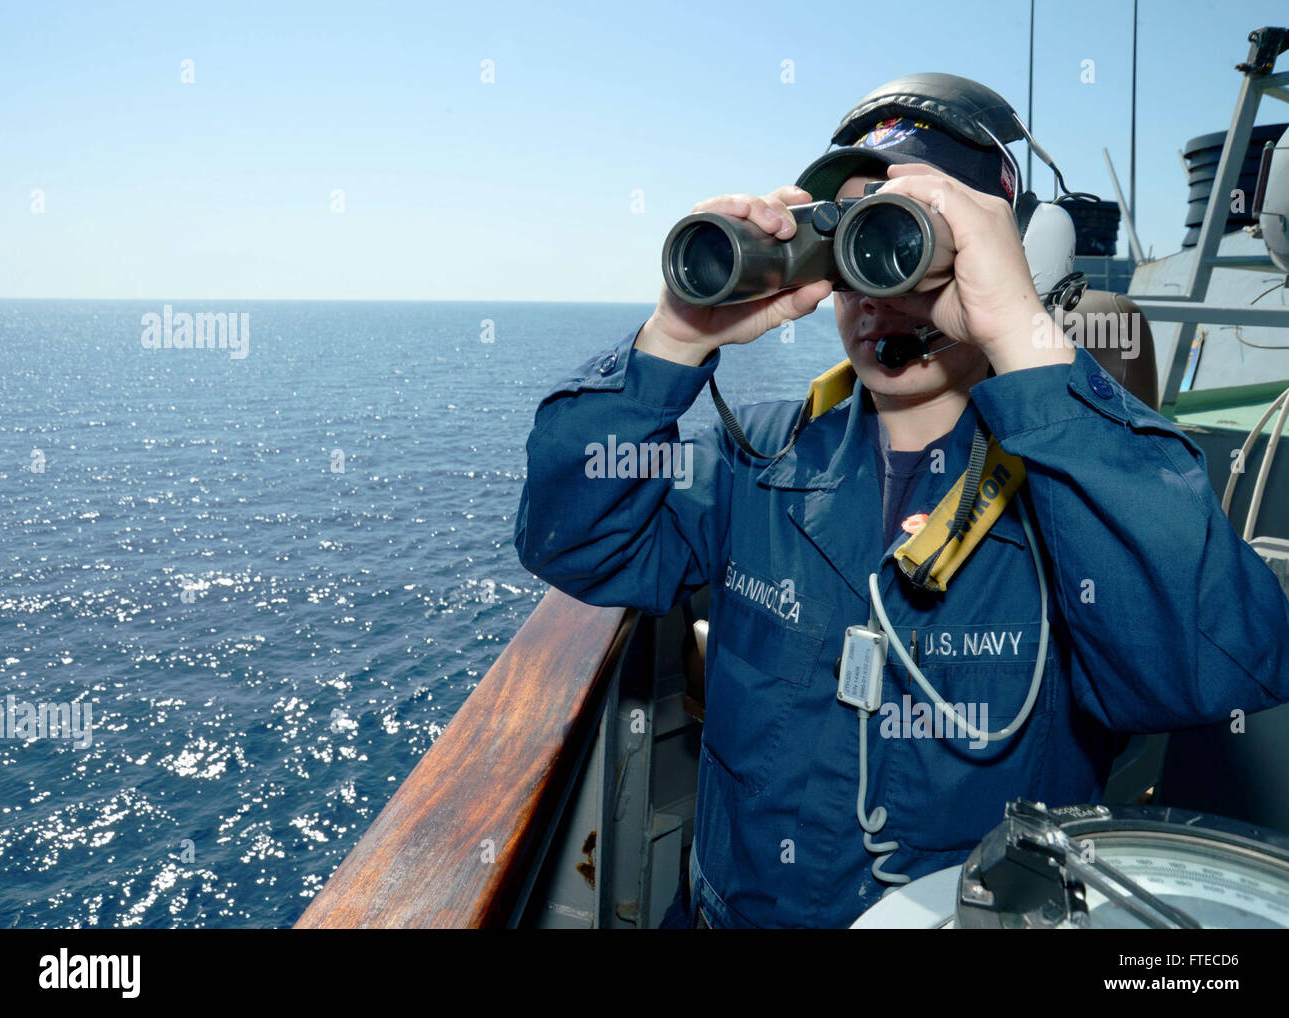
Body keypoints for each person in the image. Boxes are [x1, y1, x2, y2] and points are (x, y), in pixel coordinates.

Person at [514, 74, 1289, 928]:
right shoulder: (762, 454)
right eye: (851, 250)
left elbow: (1209, 669)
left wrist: (1022, 335)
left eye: (904, 241)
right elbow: (575, 538)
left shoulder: (1079, 490)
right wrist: (672, 339)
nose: (878, 293)